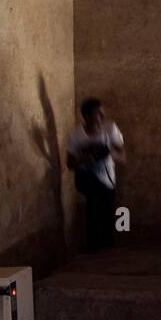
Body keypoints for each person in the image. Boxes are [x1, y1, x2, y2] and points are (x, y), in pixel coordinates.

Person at [66, 97, 126, 251]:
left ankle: (105, 250)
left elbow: (123, 157)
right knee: (94, 209)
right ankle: (94, 249)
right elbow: (70, 164)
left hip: (107, 179)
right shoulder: (76, 135)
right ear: (87, 116)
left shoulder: (110, 129)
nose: (102, 117)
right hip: (88, 179)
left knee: (106, 215)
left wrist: (109, 152)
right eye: (98, 114)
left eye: (102, 113)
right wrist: (88, 157)